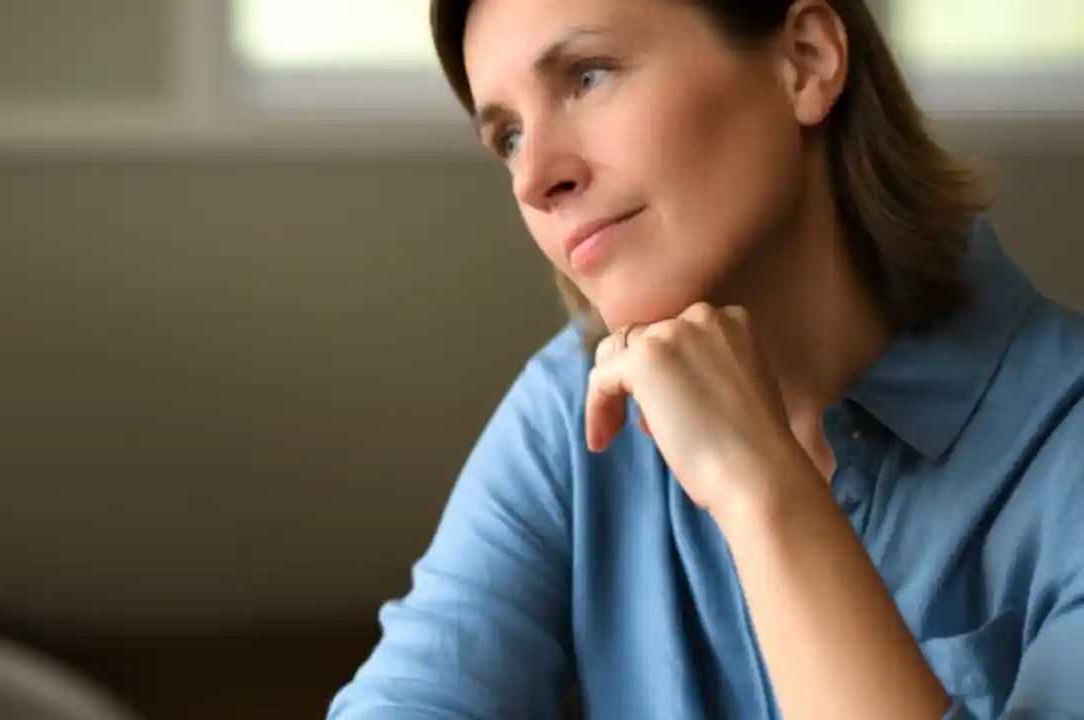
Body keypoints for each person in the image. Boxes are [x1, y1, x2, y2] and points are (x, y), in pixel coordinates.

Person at [329, 0, 1084, 717]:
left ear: (806, 61)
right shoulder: (573, 411)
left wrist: (760, 487)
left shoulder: (1062, 443)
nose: (534, 180)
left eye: (588, 76)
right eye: (509, 137)